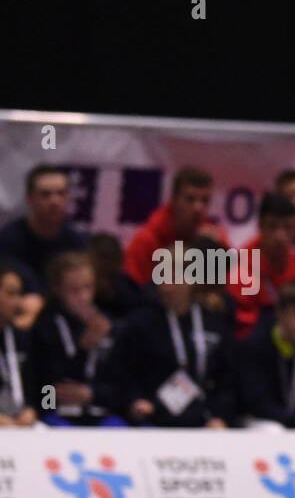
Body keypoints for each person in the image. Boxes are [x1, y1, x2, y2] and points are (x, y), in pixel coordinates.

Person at [112, 246, 237, 428]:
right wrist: (135, 401)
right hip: (152, 417)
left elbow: (227, 379)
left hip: (204, 420)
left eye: (174, 278)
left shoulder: (213, 322)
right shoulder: (141, 323)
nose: (167, 287)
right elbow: (123, 373)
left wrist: (221, 416)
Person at [30, 251, 124, 426]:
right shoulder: (46, 327)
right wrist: (83, 350)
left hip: (102, 414)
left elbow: (122, 386)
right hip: (58, 416)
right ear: (58, 290)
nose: (83, 297)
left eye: (88, 287)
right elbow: (43, 388)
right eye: (74, 290)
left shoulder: (110, 326)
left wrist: (93, 394)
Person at [227, 193, 295, 340]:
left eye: (287, 227)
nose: (280, 235)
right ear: (260, 226)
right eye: (273, 226)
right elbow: (242, 331)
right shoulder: (242, 268)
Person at [0, 165, 88, 329]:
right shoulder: (7, 241)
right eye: (45, 194)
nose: (54, 201)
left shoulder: (78, 243)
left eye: (61, 193)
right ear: (29, 198)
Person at [235, 281, 295, 429]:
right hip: (258, 420)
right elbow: (257, 402)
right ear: (280, 313)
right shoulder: (256, 345)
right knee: (274, 431)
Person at [123, 166, 229, 287]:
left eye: (205, 200)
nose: (198, 208)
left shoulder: (214, 240)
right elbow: (132, 292)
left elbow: (224, 293)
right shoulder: (146, 240)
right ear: (173, 200)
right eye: (190, 199)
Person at [0, 264, 38, 427]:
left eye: (19, 294)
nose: (18, 302)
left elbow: (47, 384)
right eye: (10, 294)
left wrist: (38, 410)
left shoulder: (24, 339)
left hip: (25, 424)